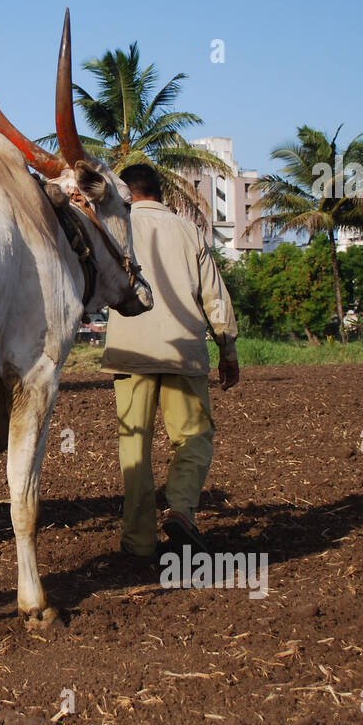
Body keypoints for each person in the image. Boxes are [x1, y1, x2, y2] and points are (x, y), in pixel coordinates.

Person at [101, 164, 239, 561]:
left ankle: (139, 543)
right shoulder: (189, 230)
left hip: (131, 350)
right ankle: (180, 509)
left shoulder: (112, 226)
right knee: (193, 438)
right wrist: (227, 350)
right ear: (161, 193)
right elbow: (214, 295)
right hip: (183, 350)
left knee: (135, 448)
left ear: (125, 192)